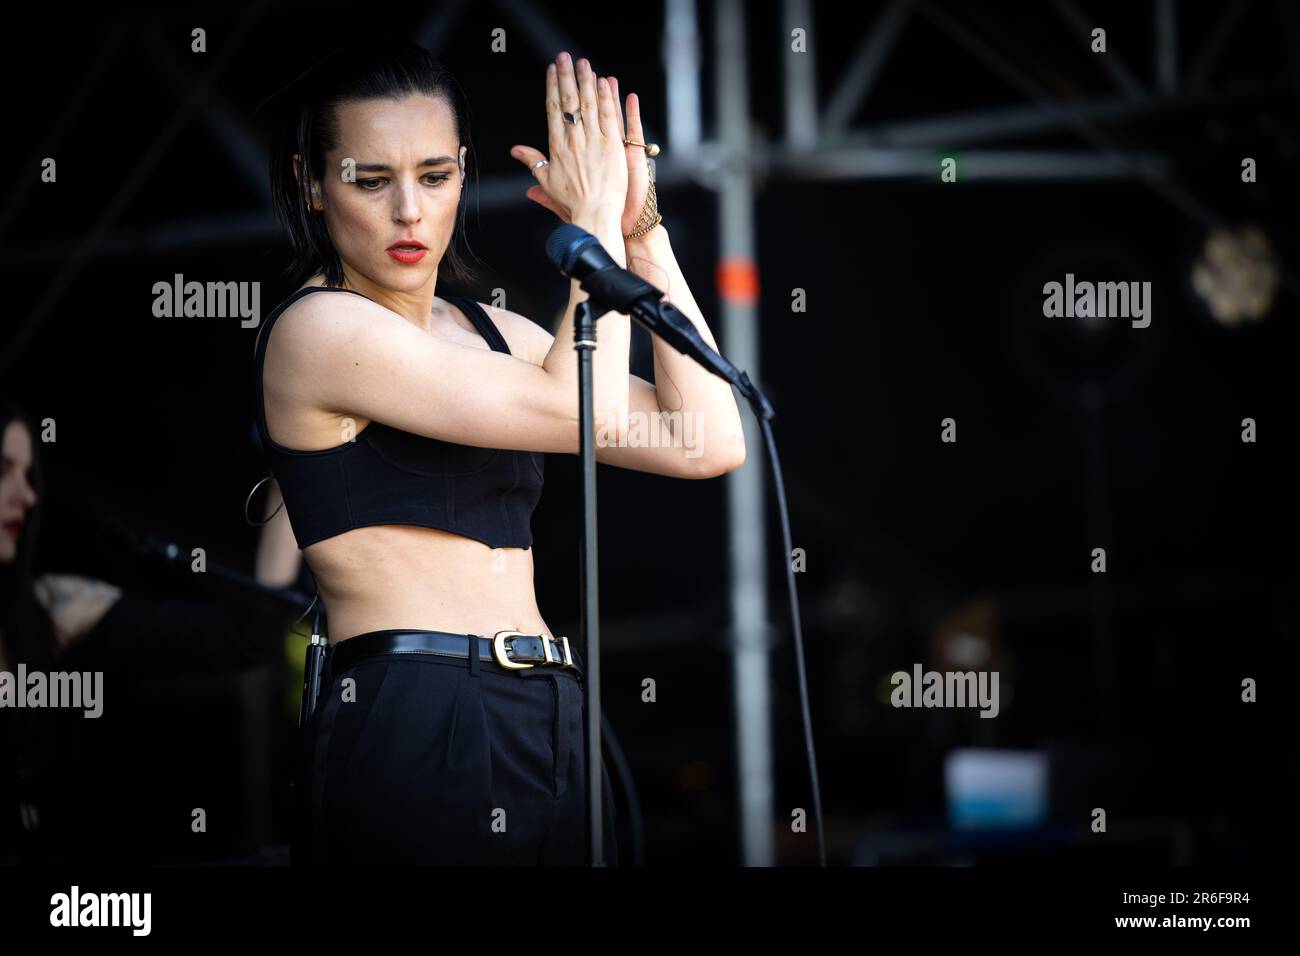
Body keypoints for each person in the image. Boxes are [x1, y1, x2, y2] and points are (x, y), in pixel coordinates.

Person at [260, 39, 746, 866]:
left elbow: (706, 439)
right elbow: (577, 404)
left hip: (545, 704)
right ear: (313, 183)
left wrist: (638, 227)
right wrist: (587, 222)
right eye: (371, 180)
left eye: (436, 176)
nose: (409, 212)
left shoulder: (493, 331)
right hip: (417, 704)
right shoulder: (317, 331)